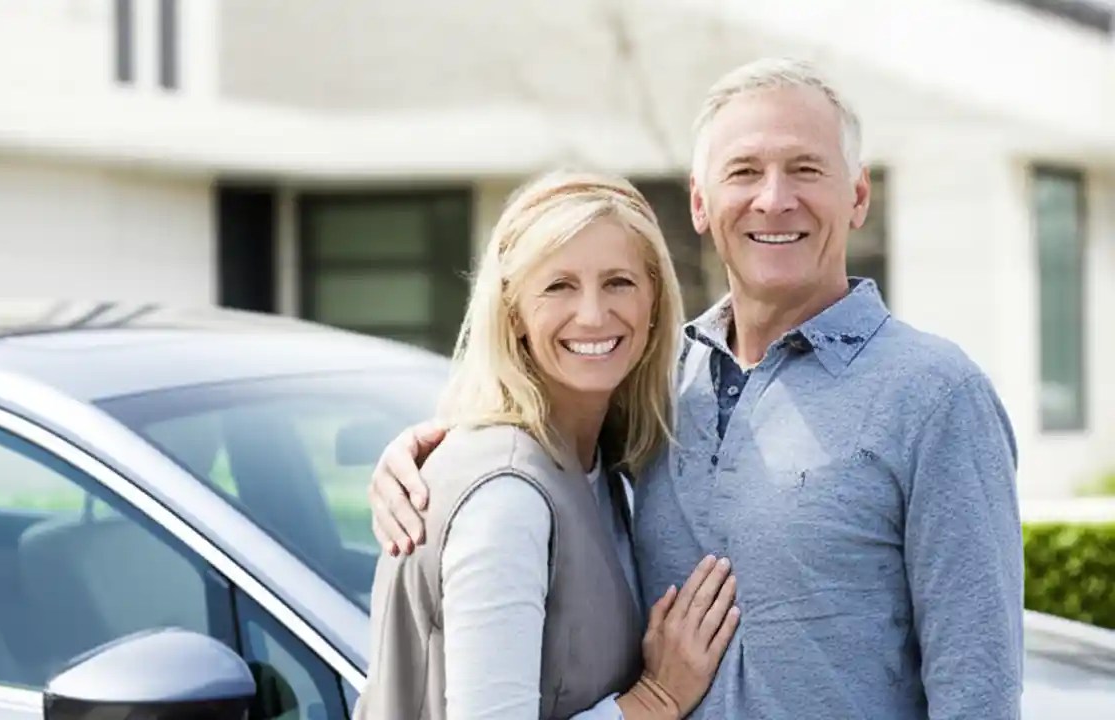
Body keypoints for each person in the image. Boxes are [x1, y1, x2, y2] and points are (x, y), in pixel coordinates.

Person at [368, 58, 1024, 719]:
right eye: (744, 172)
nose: (773, 199)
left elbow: (979, 693)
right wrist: (426, 455)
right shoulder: (654, 380)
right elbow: (539, 444)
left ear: (857, 197)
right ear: (700, 204)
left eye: (806, 169)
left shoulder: (938, 397)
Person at [354, 171, 741, 720]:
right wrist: (657, 700)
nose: (592, 314)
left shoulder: (605, 461)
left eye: (619, 282)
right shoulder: (506, 497)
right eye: (559, 285)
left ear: (654, 301)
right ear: (512, 311)